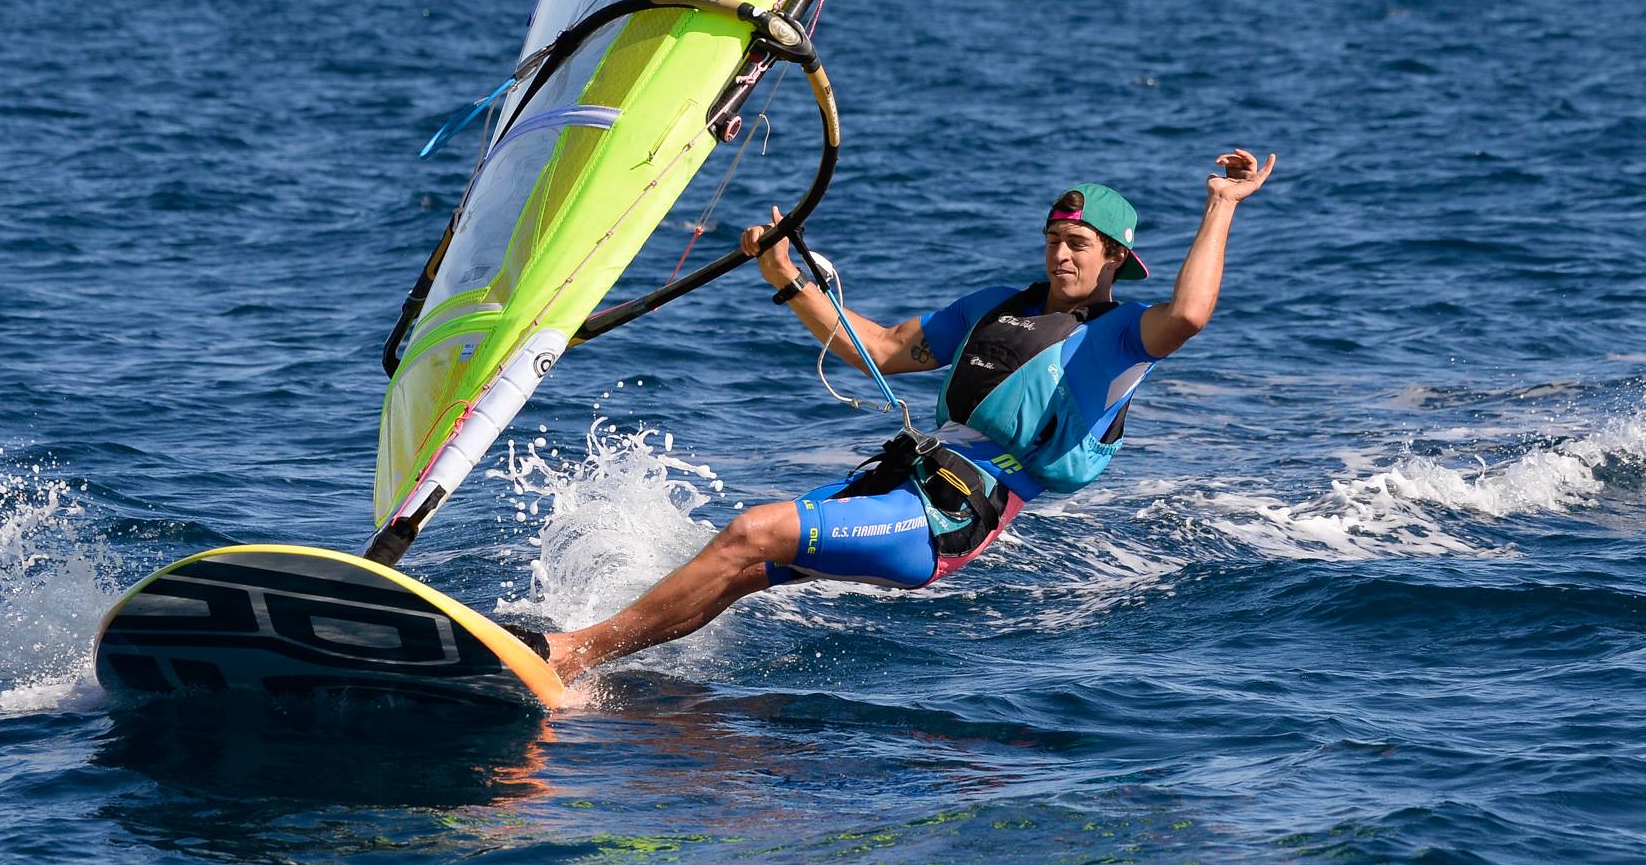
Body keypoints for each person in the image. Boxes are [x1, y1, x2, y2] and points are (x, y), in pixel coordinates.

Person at [539, 148, 1277, 684]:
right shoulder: (994, 306)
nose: (1061, 255)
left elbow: (1191, 313)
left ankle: (568, 654)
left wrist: (1222, 203)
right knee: (738, 568)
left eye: (1078, 245)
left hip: (948, 519)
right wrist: (785, 277)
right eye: (1053, 240)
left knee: (751, 531)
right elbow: (883, 349)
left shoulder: (1121, 338)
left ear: (1115, 258)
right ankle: (586, 670)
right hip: (906, 484)